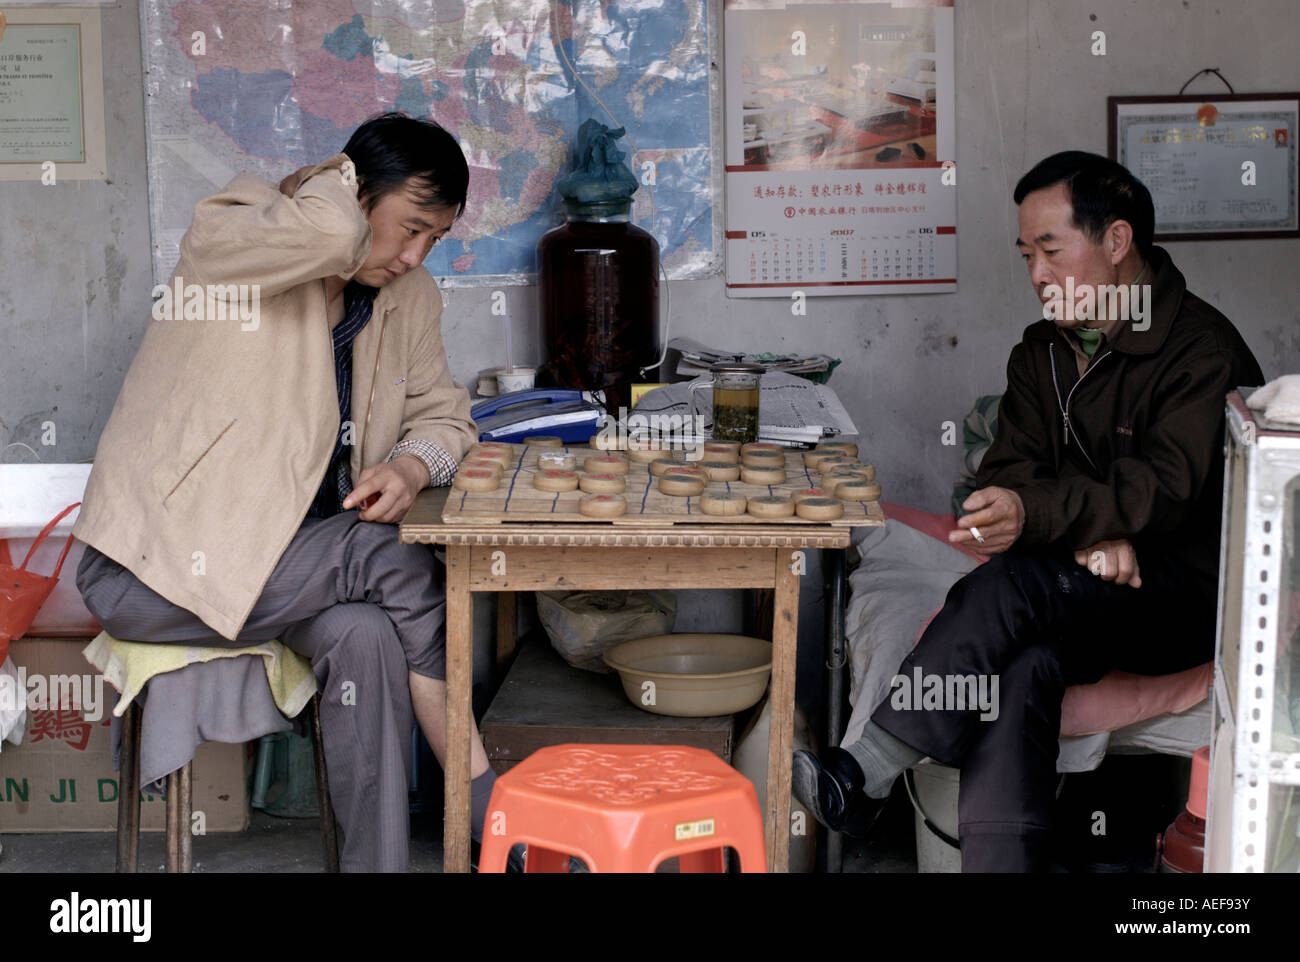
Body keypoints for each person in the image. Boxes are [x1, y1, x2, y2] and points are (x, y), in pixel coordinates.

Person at [794, 150, 1264, 871]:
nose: (1037, 274)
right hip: (1076, 594)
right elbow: (1008, 468)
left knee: (1014, 588)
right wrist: (1021, 511)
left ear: (1115, 241)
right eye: (1026, 254)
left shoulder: (1200, 351)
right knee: (1025, 667)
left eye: (1051, 249)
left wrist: (1039, 515)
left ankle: (869, 767)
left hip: (1173, 598)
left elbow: (1163, 491)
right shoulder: (1041, 353)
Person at [72, 112, 499, 872]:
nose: (414, 256)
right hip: (154, 573)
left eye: (434, 240)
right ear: (355, 194)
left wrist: (408, 466)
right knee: (391, 558)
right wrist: (338, 185)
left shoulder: (411, 298)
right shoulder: (241, 242)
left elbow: (446, 415)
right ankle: (493, 816)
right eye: (408, 228)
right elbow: (303, 232)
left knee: (368, 636)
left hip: (290, 573)